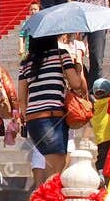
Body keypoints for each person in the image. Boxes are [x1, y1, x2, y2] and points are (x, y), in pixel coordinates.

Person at [14, 33, 84, 190]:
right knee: (55, 173)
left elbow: (22, 98)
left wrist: (27, 117)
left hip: (34, 121)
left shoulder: (26, 62)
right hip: (53, 118)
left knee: (51, 167)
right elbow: (76, 84)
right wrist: (78, 66)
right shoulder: (61, 55)